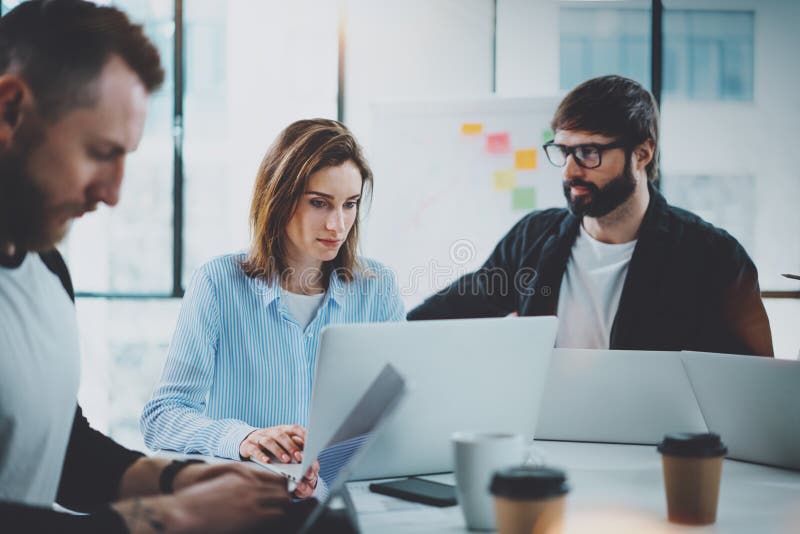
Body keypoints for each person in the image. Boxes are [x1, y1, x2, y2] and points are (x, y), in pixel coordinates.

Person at [0, 1, 291, 532]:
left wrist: (179, 478)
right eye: (99, 151)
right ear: (10, 110)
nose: (113, 193)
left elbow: (63, 450)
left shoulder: (46, 270)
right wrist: (168, 518)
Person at [408, 75, 773, 357]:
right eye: (563, 151)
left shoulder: (714, 257)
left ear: (643, 153)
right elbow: (438, 319)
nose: (569, 171)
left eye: (588, 152)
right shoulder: (533, 236)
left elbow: (748, 387)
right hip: (548, 439)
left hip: (656, 447)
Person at [140, 118, 405, 490]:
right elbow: (162, 417)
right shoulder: (217, 284)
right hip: (247, 504)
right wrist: (244, 439)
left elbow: (401, 416)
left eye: (351, 204)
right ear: (279, 199)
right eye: (319, 203)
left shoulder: (378, 289)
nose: (337, 224)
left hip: (346, 501)